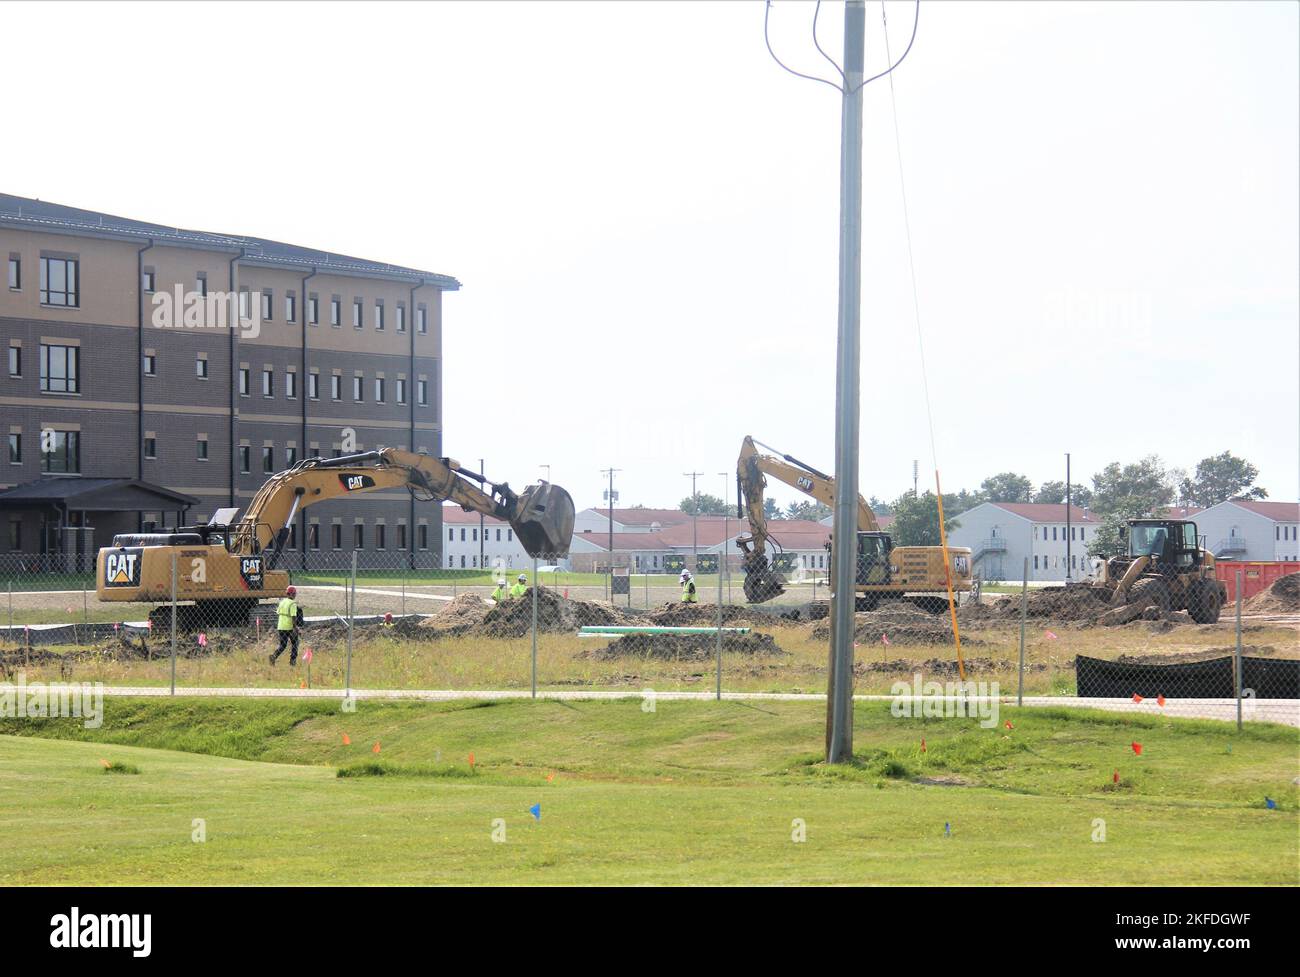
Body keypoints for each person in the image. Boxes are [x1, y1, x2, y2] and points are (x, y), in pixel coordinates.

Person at [270, 585, 300, 666]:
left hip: (281, 626)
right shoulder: (293, 604)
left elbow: (278, 612)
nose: (294, 595)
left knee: (282, 645)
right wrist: (295, 628)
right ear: (291, 594)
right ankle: (292, 661)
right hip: (289, 627)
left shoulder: (282, 602)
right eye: (294, 594)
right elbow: (293, 616)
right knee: (295, 643)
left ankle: (274, 656)